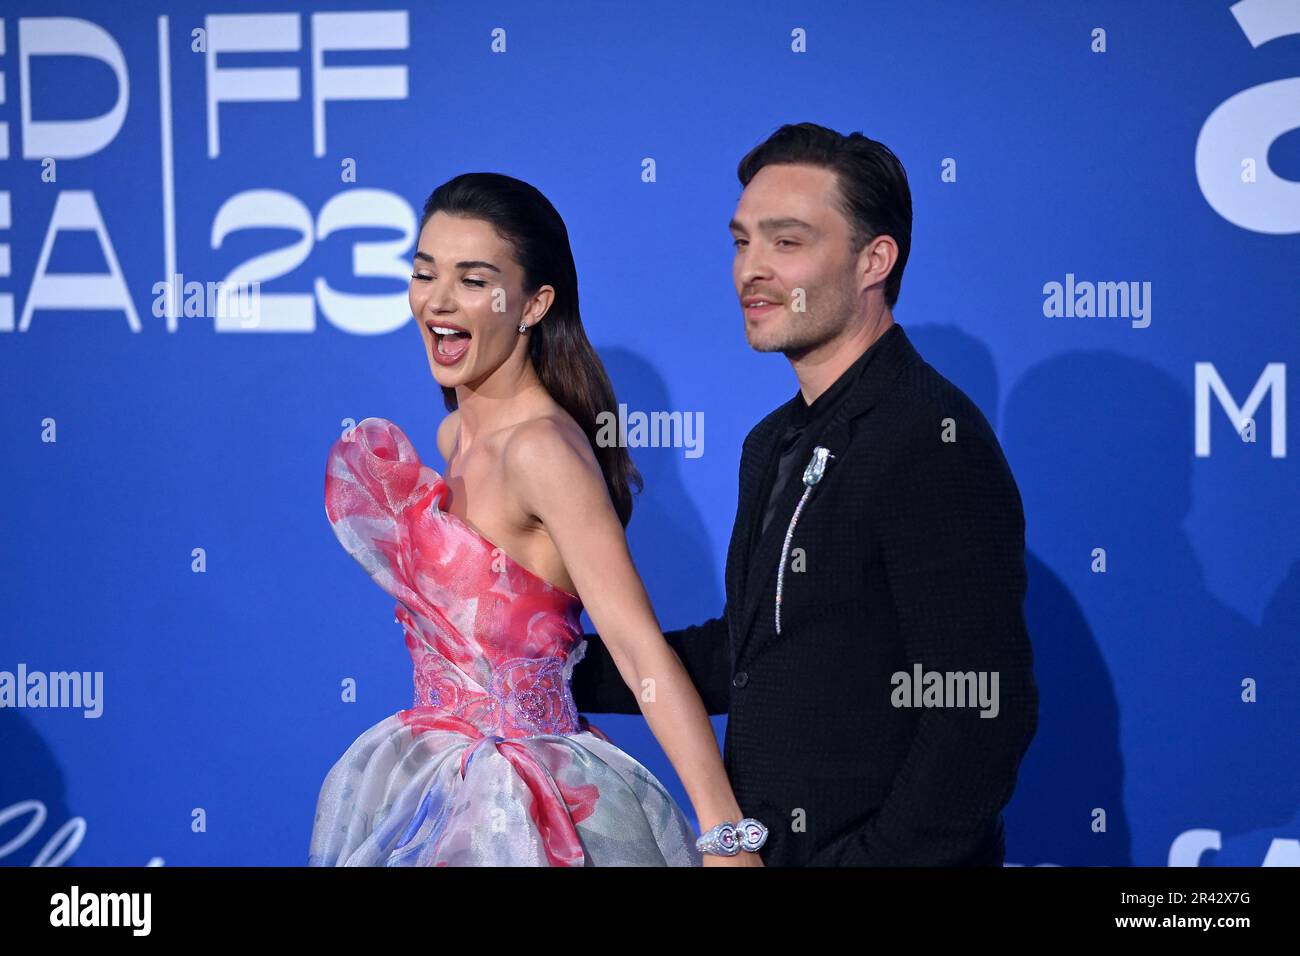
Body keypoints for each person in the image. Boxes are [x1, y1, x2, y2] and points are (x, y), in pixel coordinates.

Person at [572, 123, 1039, 865]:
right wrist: (555, 667)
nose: (751, 269)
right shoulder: (773, 442)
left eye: (786, 242)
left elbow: (979, 712)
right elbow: (764, 654)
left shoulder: (929, 438)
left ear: (873, 260)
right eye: (741, 241)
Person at [308, 172, 761, 866]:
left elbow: (641, 652)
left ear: (532, 303)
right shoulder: (454, 438)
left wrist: (725, 837)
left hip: (525, 808)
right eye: (426, 273)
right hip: (425, 785)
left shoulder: (542, 450)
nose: (437, 300)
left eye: (472, 279)